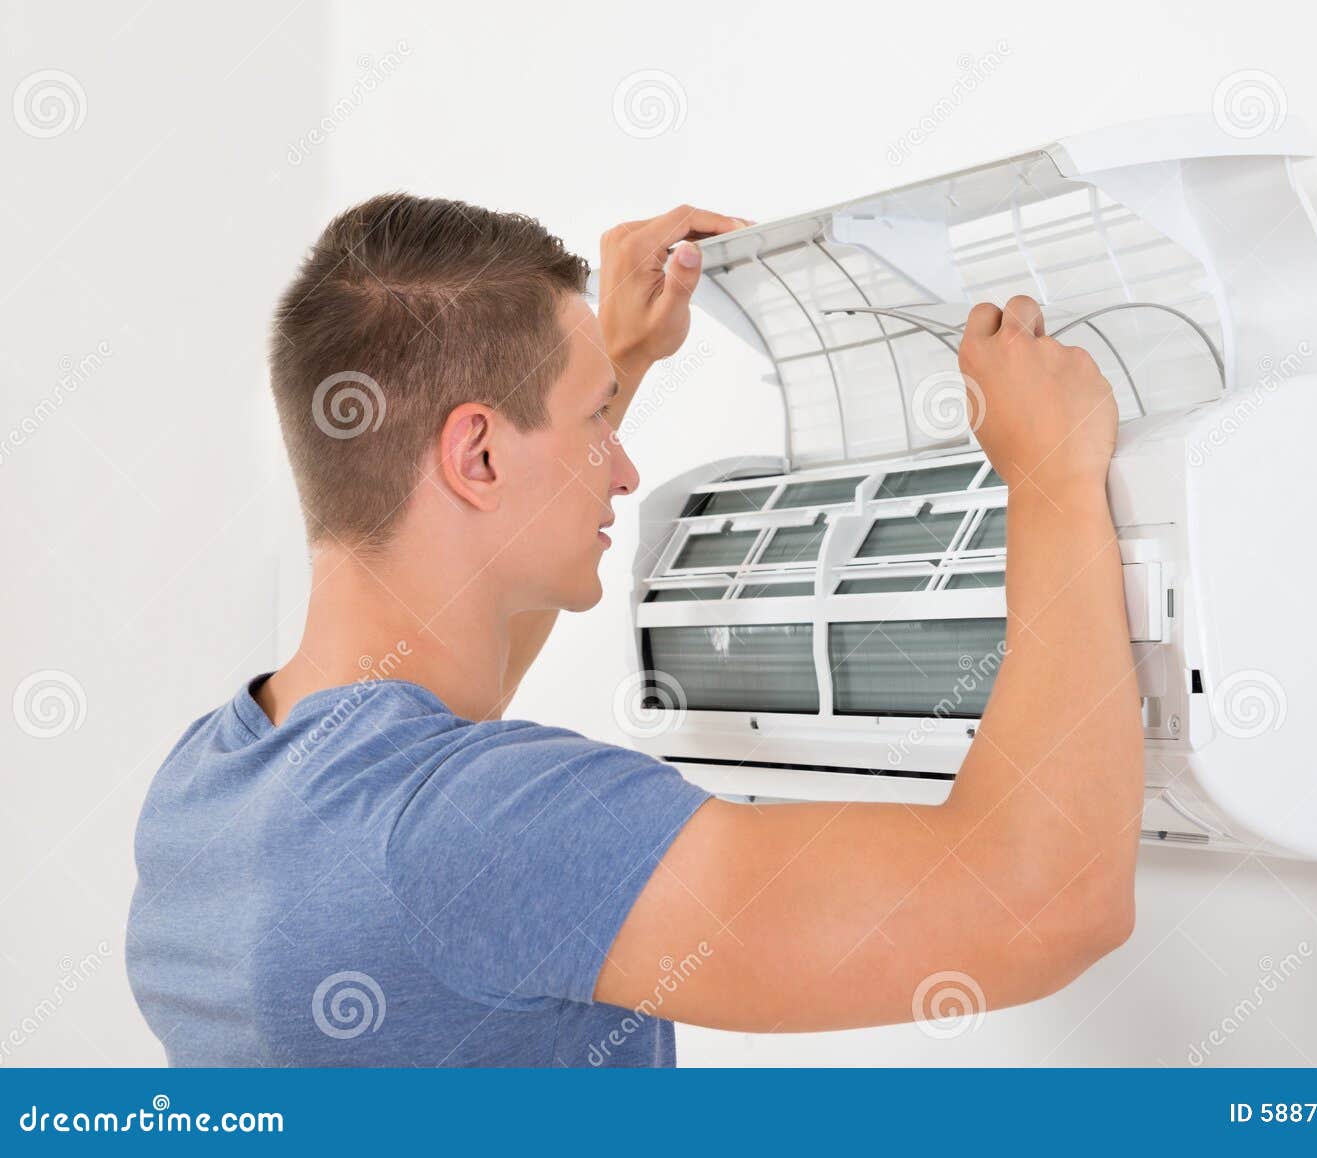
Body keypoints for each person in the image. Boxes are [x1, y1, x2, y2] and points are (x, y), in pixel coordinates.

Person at [126, 193, 1143, 1066]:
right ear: (475, 455)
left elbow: (431, 752)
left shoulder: (209, 786)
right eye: (594, 425)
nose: (623, 469)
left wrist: (608, 364)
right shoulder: (482, 829)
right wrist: (1050, 475)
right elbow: (1042, 902)